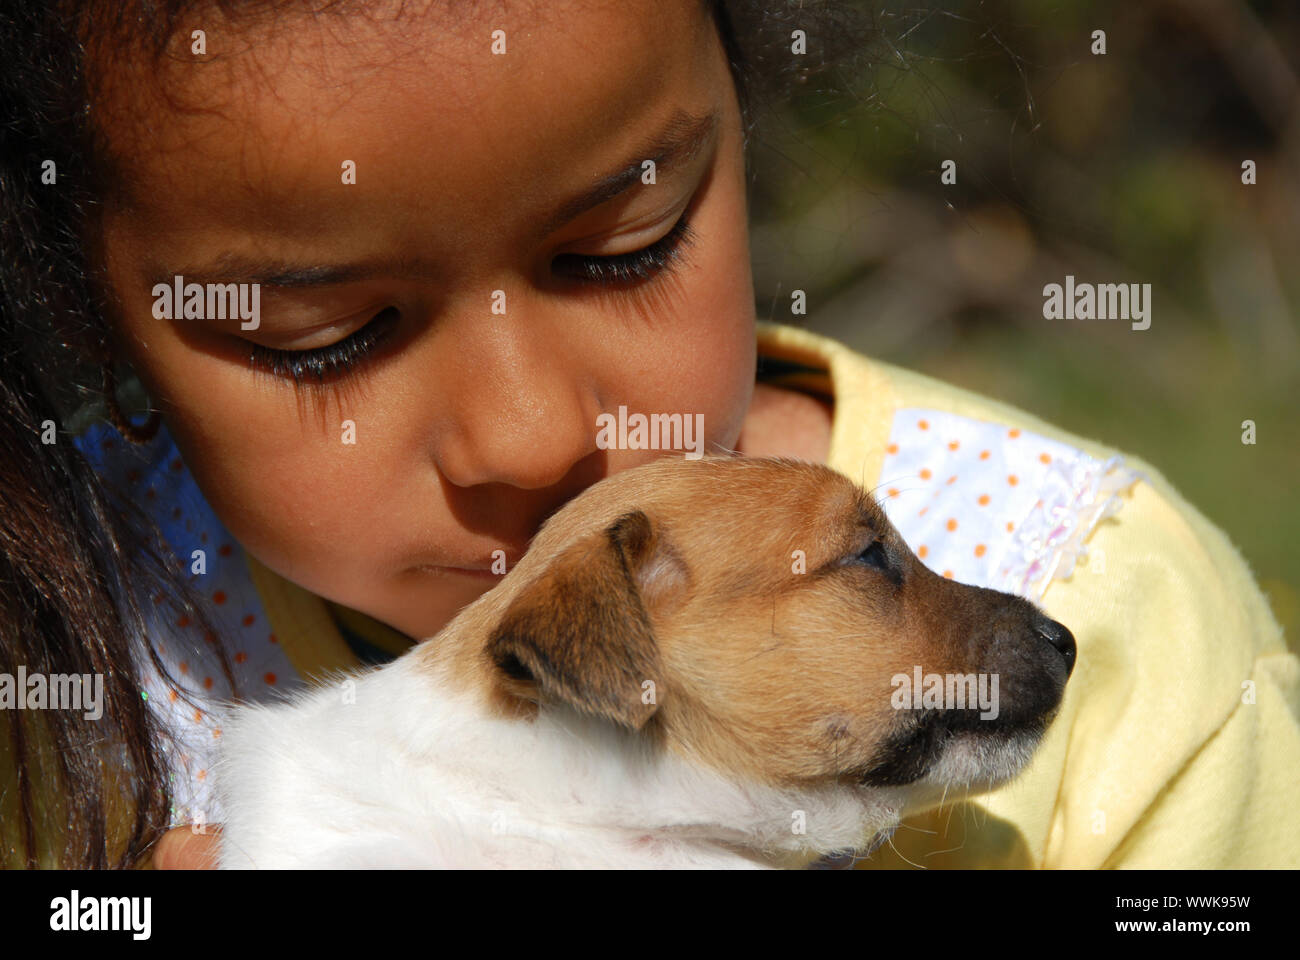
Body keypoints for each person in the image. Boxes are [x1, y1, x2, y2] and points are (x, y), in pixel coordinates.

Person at [2, 0, 1295, 871]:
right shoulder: (58, 646)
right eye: (324, 334)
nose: (529, 434)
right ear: (92, 310)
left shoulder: (1127, 620)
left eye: (621, 248)